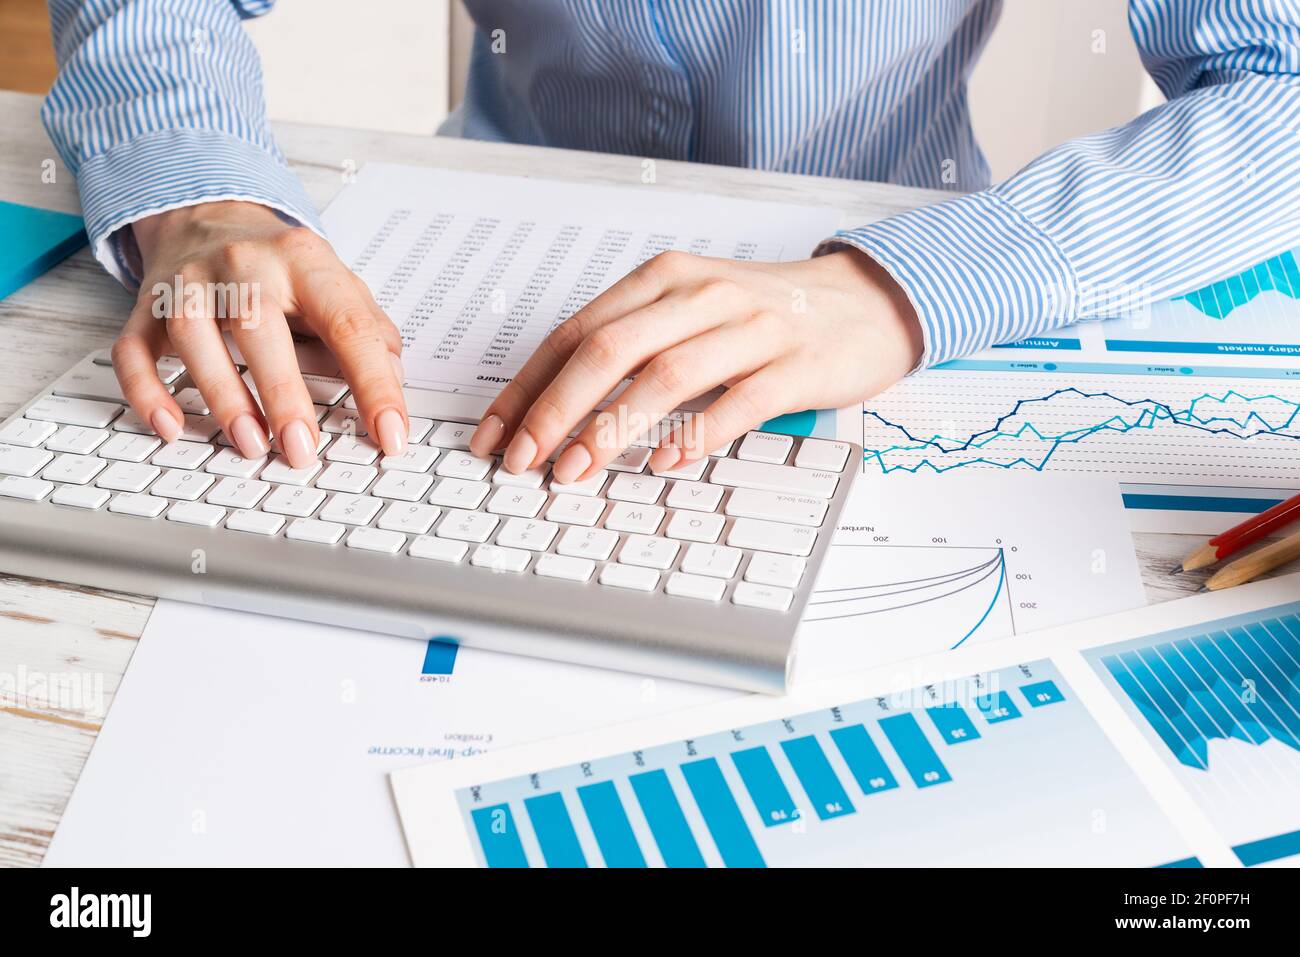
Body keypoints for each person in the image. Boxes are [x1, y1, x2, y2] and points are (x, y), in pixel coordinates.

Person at [42, 0, 1300, 486]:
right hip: (466, 276)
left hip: (890, 312)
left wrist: (911, 285)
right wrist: (197, 176)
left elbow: (1279, 82)